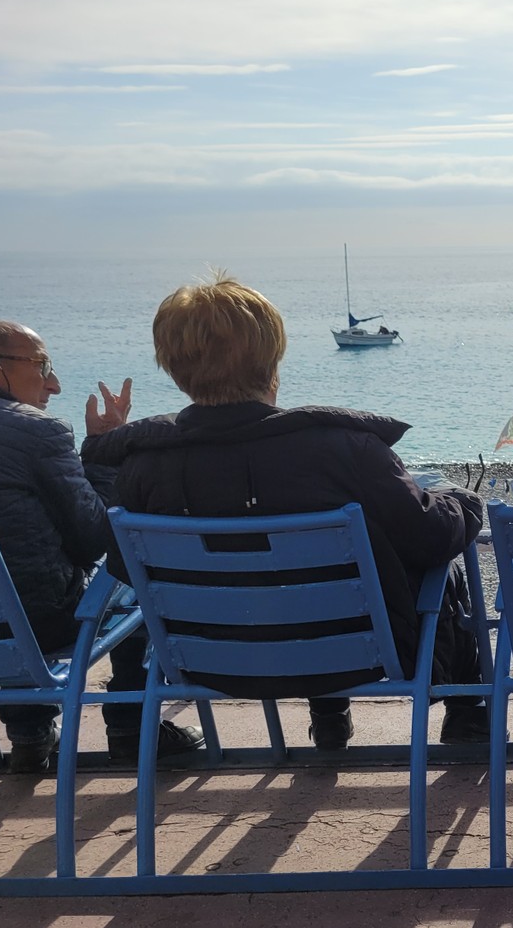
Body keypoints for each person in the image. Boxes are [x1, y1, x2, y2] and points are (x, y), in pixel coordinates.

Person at [81, 275, 489, 750]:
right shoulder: (348, 449)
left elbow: (121, 565)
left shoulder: (142, 468)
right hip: (360, 655)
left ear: (173, 367)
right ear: (272, 356)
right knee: (443, 568)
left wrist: (104, 454)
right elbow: (433, 536)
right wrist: (463, 501)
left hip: (211, 662)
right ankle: (468, 714)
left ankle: (331, 713)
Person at [0, 320, 203, 771]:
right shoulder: (35, 432)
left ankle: (31, 734)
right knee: (134, 580)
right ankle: (131, 728)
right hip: (37, 627)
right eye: (42, 366)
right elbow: (95, 538)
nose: (54, 384)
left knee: (7, 588)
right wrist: (101, 451)